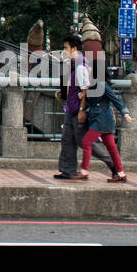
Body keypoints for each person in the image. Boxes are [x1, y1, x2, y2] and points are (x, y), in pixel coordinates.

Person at [54, 35, 115, 180]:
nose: (64, 51)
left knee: (84, 141)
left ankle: (112, 164)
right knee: (67, 139)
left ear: (74, 48)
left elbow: (85, 89)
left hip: (77, 110)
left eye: (66, 48)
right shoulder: (75, 65)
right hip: (71, 108)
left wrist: (82, 111)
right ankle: (67, 170)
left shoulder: (81, 66)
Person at [72, 82, 134, 182]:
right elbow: (89, 103)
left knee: (87, 142)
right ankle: (121, 174)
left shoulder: (102, 85)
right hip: (101, 120)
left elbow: (115, 100)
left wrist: (125, 113)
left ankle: (84, 171)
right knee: (112, 148)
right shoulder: (91, 86)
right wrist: (83, 94)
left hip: (101, 120)